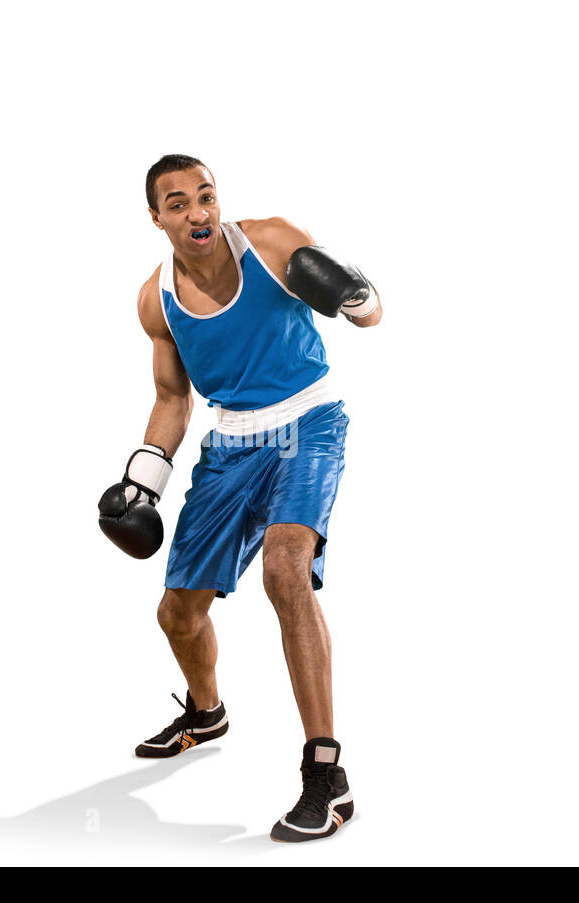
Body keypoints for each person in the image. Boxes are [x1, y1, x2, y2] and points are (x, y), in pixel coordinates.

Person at [97, 154, 382, 843]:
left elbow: (370, 316)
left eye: (206, 195)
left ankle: (327, 776)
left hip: (308, 422)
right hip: (231, 446)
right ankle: (206, 712)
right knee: (177, 615)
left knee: (286, 572)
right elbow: (172, 398)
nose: (198, 212)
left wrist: (355, 295)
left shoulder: (274, 241)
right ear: (157, 217)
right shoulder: (154, 300)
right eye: (179, 202)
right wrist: (143, 480)